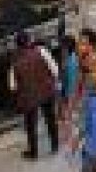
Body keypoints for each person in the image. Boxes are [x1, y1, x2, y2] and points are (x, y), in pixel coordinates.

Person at [10, 30, 61, 159]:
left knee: (30, 124)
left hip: (28, 96)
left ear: (17, 45)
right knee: (50, 118)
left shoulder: (15, 61)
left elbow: (13, 86)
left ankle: (34, 152)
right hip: (47, 90)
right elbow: (55, 70)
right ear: (29, 41)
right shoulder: (41, 51)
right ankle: (55, 145)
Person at [55, 34, 84, 158]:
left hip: (73, 98)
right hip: (73, 97)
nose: (61, 49)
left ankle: (76, 148)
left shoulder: (71, 62)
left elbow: (72, 84)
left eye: (62, 47)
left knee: (75, 122)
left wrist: (70, 103)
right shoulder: (71, 59)